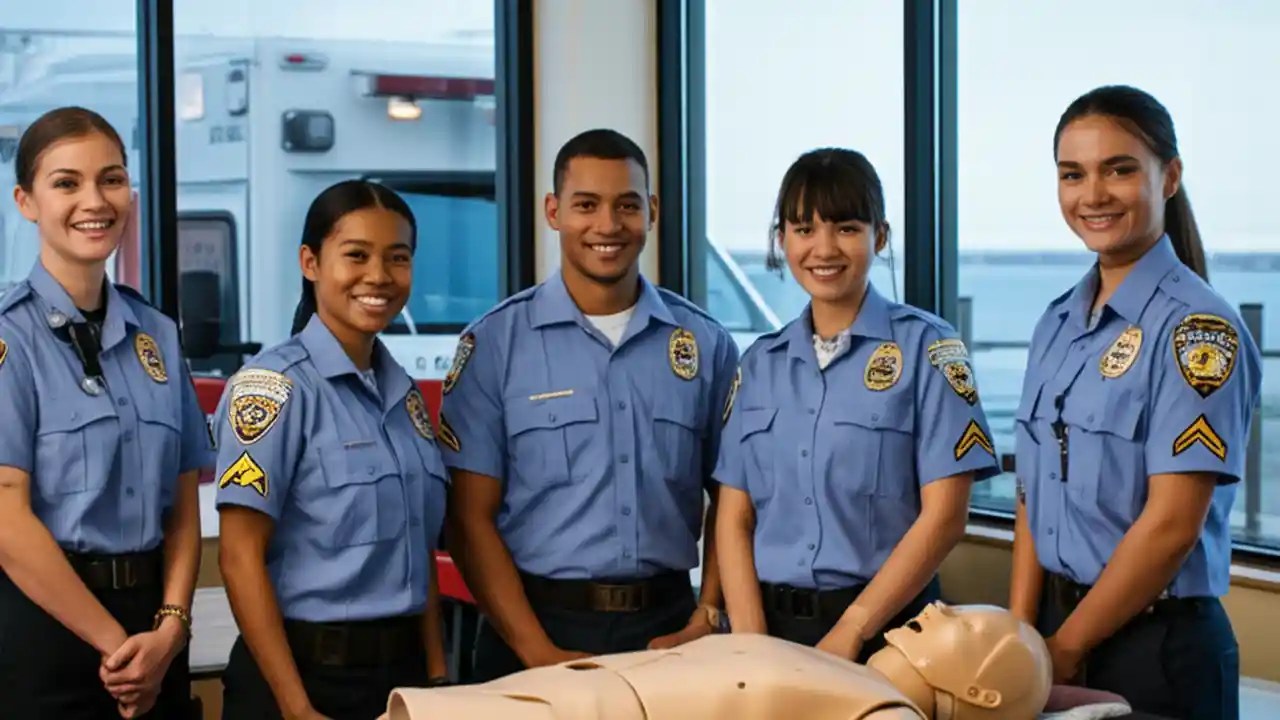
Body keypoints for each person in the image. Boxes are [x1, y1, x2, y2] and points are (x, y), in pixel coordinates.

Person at [441, 128, 739, 681]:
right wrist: (536, 652)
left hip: (671, 634)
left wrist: (709, 614)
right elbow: (467, 519)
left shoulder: (705, 345)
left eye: (627, 205)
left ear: (651, 211)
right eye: (586, 205)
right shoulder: (494, 346)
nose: (608, 225)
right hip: (533, 630)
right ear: (553, 211)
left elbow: (733, 497)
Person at [1008, 85, 1262, 720]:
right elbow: (1030, 499)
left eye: (1119, 169)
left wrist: (1063, 649)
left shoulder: (1198, 329)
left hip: (1155, 650)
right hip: (1052, 632)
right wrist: (1018, 636)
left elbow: (1172, 525)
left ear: (1169, 177)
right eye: (1073, 174)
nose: (1092, 194)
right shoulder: (1057, 323)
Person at [716, 148, 999, 663]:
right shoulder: (759, 363)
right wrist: (751, 643)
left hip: (889, 637)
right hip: (767, 633)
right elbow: (734, 517)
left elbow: (946, 517)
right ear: (782, 239)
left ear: (880, 236)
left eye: (845, 227)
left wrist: (852, 630)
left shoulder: (929, 350)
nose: (823, 248)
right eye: (803, 230)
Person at [0, 106, 209, 718]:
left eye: (111, 179)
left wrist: (170, 629)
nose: (95, 199)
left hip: (154, 632)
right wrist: (121, 650)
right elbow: (8, 523)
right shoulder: (11, 340)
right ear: (26, 201)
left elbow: (182, 503)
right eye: (66, 183)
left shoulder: (159, 334)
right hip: (47, 632)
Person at [214, 180, 450, 720]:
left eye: (398, 258)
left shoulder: (404, 395)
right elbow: (239, 557)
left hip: (401, 678)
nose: (379, 277)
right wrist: (296, 707)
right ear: (310, 262)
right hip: (303, 677)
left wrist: (437, 676)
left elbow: (416, 551)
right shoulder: (271, 388)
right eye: (356, 256)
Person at [377, 603, 1054, 720]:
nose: (937, 611)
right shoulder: (842, 672)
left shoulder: (885, 711)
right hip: (571, 687)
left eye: (964, 621)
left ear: (981, 690)